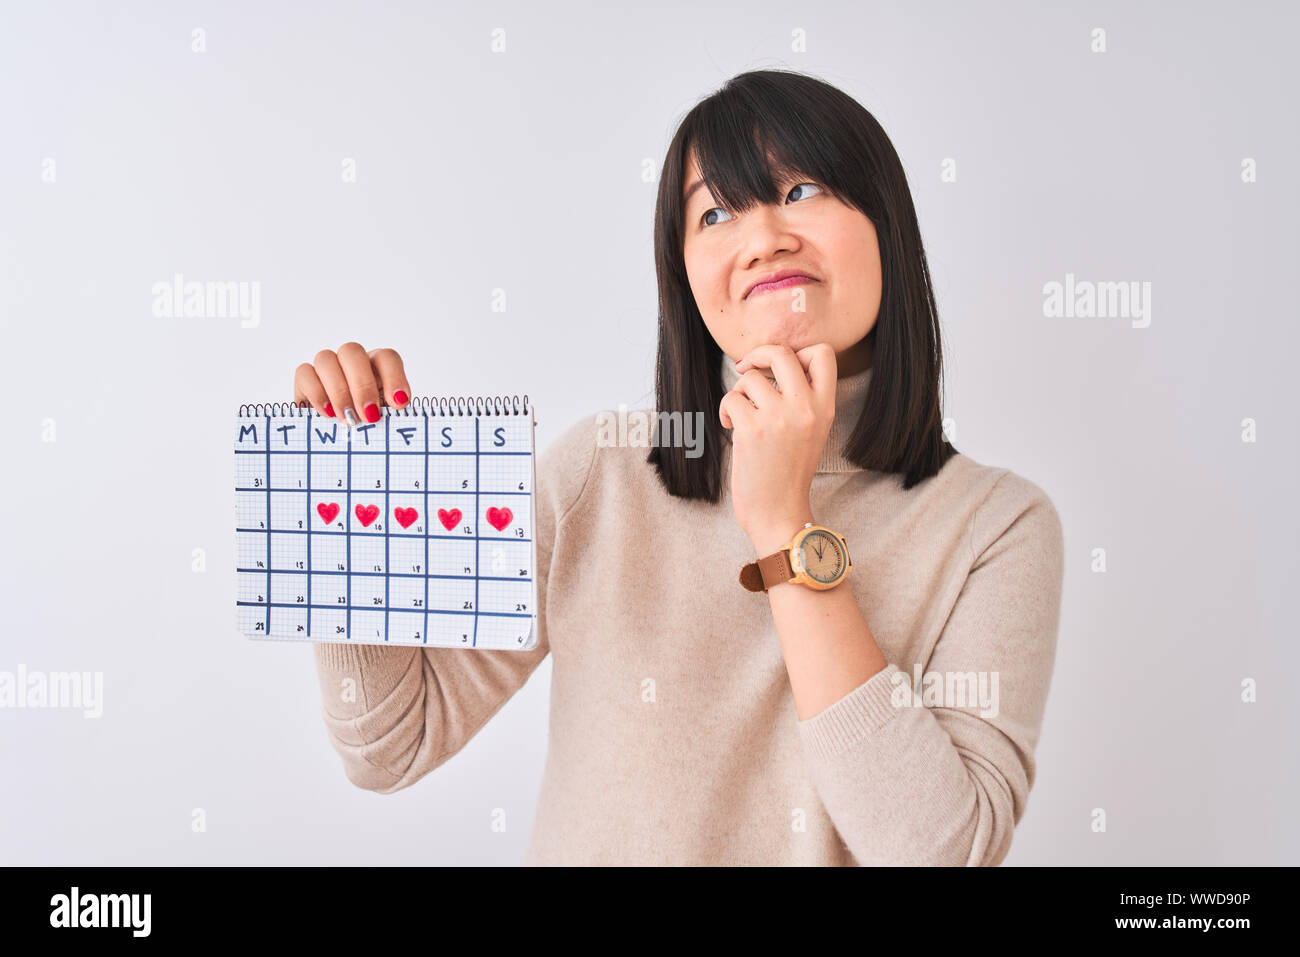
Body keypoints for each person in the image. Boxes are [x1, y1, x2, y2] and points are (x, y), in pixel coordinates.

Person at [291, 69, 1065, 866]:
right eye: (717, 211)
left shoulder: (996, 524)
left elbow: (937, 853)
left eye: (801, 190)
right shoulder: (603, 471)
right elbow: (390, 746)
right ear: (686, 276)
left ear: (886, 223)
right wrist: (352, 509)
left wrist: (785, 526)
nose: (763, 238)